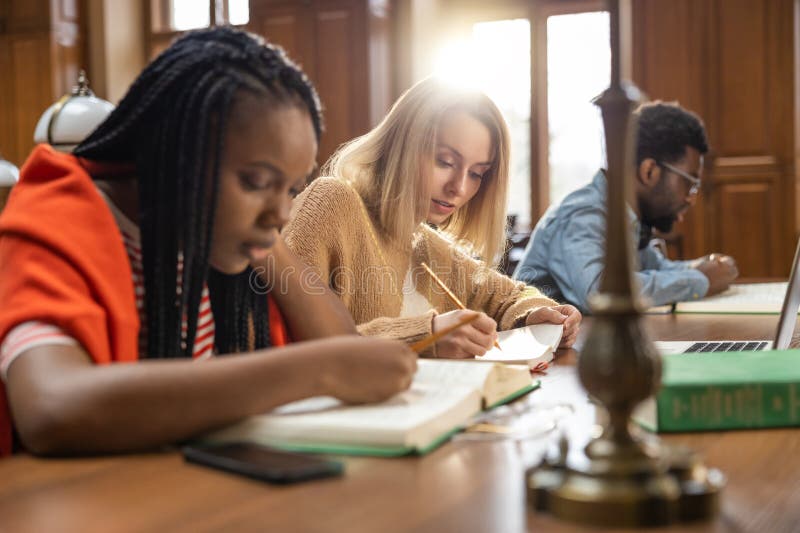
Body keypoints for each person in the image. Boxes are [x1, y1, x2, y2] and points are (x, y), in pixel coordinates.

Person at [0, 27, 417, 457]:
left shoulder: (201, 230)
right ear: (178, 151)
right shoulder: (53, 219)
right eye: (256, 181)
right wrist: (318, 372)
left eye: (292, 189)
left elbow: (340, 345)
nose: (282, 214)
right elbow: (52, 408)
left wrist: (265, 229)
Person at [283, 77, 581, 358]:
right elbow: (289, 343)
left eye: (476, 173)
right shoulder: (331, 202)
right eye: (445, 161)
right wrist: (425, 337)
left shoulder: (425, 242)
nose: (459, 188)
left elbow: (509, 296)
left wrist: (539, 313)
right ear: (401, 145)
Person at [513, 101, 738, 313]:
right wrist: (701, 280)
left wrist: (706, 267)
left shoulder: (627, 218)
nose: (691, 199)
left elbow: (656, 269)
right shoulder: (584, 213)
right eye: (689, 183)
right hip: (541, 342)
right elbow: (599, 293)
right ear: (649, 171)